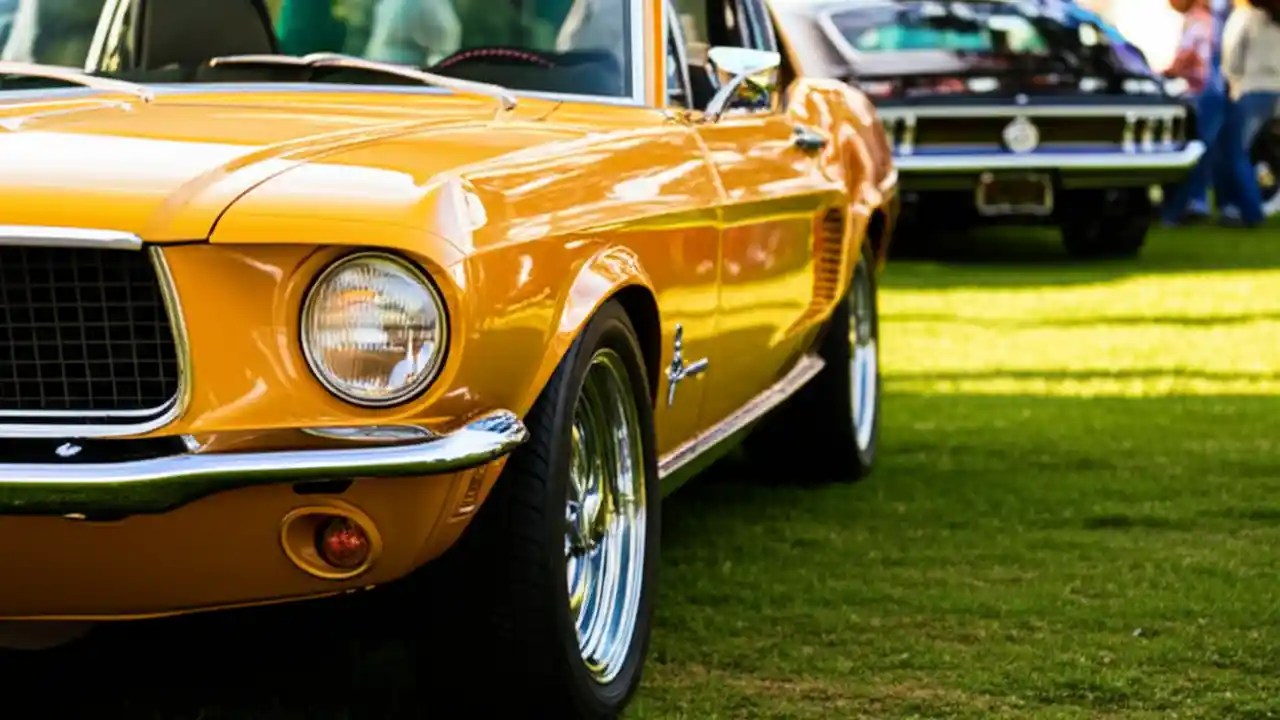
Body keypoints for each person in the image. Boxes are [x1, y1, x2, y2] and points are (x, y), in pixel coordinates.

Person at [1220, 0, 1280, 222]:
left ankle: (1250, 210)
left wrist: (1231, 81)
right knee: (1264, 151)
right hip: (1277, 90)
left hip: (1253, 89)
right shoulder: (1274, 18)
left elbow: (1232, 58)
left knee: (1237, 153)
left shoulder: (1245, 17)